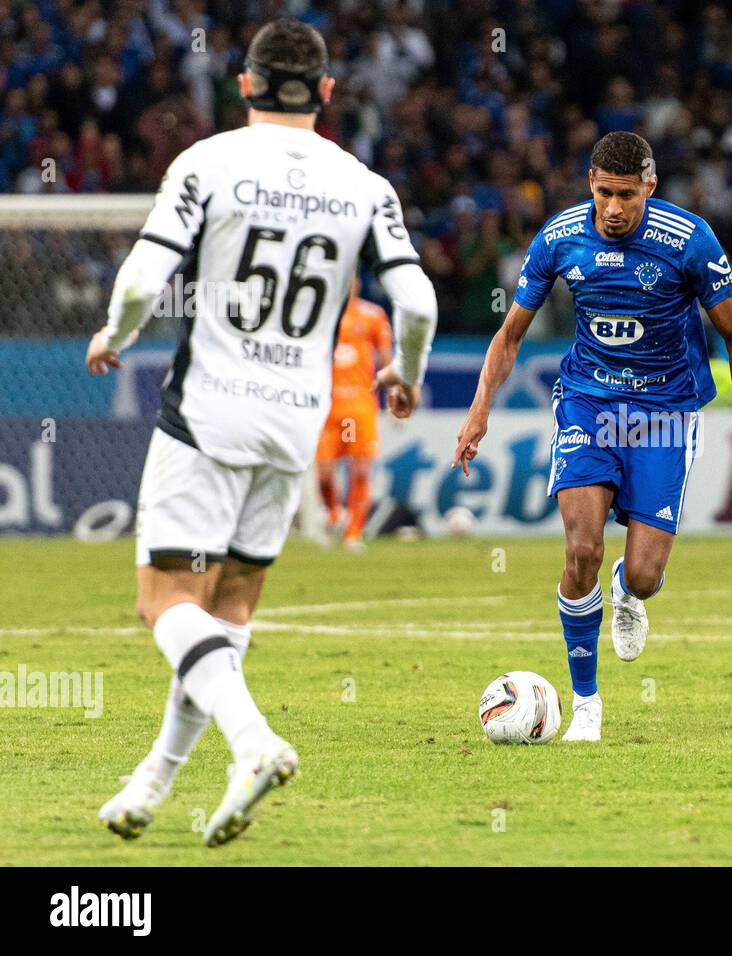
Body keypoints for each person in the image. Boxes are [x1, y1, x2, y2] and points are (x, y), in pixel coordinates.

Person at [85, 18, 436, 844]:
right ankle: (152, 784)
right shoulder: (364, 183)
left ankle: (253, 743)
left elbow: (143, 276)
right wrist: (406, 373)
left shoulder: (207, 162)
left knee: (164, 599)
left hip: (208, 409)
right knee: (229, 603)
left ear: (242, 85)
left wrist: (115, 334)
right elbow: (416, 302)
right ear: (325, 93)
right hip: (294, 420)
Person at [453, 131, 732, 741]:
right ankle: (587, 706)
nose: (615, 208)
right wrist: (478, 412)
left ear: (650, 188)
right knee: (581, 550)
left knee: (646, 575)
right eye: (604, 193)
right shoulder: (560, 236)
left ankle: (628, 590)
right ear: (590, 186)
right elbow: (511, 334)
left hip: (664, 414)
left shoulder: (690, 241)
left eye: (627, 194)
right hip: (588, 405)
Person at [317, 277, 393, 551]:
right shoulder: (320, 314)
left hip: (361, 404)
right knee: (324, 474)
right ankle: (335, 512)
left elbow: (386, 359)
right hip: (327, 406)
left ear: (357, 283)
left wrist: (394, 395)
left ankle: (354, 533)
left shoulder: (372, 315)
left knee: (360, 469)